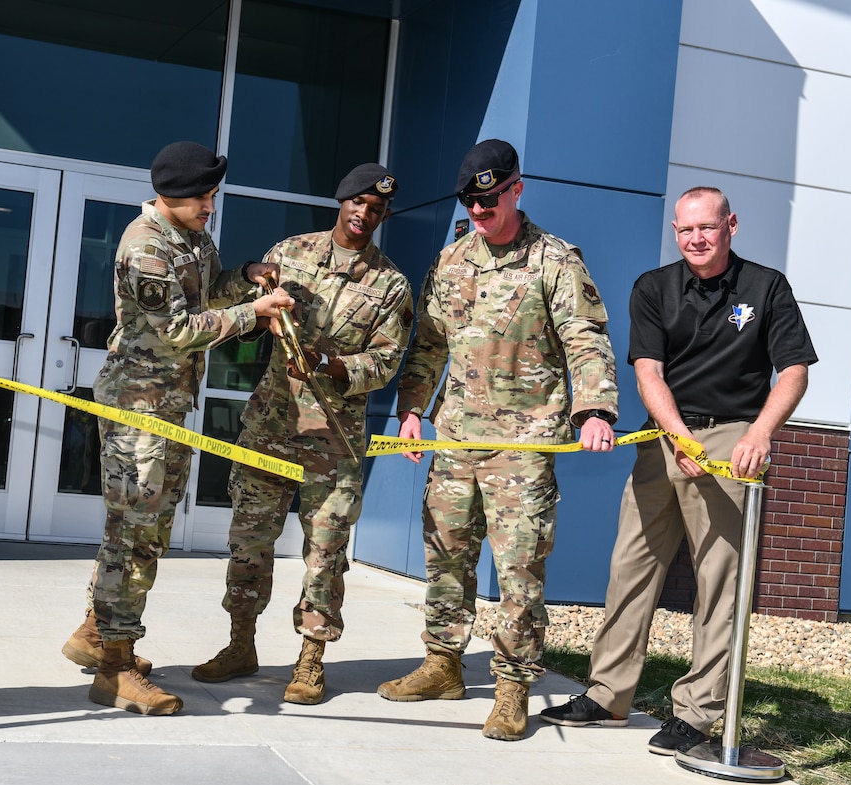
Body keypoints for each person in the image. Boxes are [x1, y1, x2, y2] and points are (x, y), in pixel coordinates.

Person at [540, 187, 816, 754]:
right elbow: (648, 373)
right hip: (664, 435)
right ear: (675, 230)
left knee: (720, 580)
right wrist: (678, 438)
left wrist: (760, 434)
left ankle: (698, 713)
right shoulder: (654, 287)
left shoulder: (766, 288)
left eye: (708, 228)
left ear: (730, 225)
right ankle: (608, 692)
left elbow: (793, 371)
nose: (697, 239)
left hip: (732, 439)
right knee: (631, 565)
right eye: (686, 230)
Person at [380, 139, 619, 741]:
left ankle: (513, 685)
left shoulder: (556, 262)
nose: (480, 211)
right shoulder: (453, 260)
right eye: (471, 202)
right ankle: (442, 664)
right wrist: (412, 410)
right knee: (445, 558)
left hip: (524, 443)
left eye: (489, 199)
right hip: (456, 438)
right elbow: (430, 345)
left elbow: (585, 338)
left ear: (517, 188)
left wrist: (596, 410)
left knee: (518, 573)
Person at [61, 141, 293, 716]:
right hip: (139, 411)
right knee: (134, 534)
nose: (211, 207)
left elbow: (207, 295)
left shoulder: (192, 239)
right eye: (206, 198)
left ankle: (96, 634)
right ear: (177, 196)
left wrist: (245, 278)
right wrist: (254, 314)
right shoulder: (146, 247)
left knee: (149, 530)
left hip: (169, 407)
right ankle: (114, 667)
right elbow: (176, 330)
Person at [190, 164, 413, 704]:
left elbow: (385, 363)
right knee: (249, 542)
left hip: (334, 440)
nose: (364, 215)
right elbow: (229, 299)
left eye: (376, 210)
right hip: (270, 425)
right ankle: (240, 644)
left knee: (326, 552)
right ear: (341, 202)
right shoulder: (292, 253)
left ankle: (311, 661)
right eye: (357, 203)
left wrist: (331, 364)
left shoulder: (391, 285)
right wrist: (250, 279)